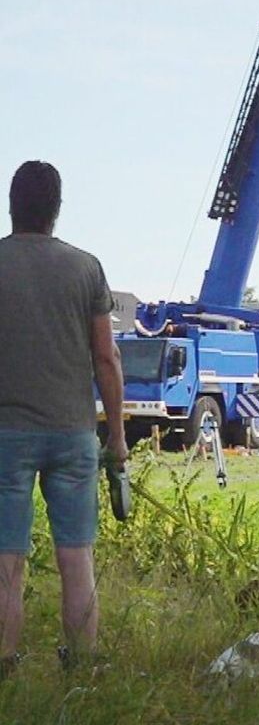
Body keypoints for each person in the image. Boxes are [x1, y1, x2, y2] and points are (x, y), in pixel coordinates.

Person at [0, 161, 127, 679]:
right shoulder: (86, 268)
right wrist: (117, 437)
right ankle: (82, 666)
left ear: (11, 205)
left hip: (5, 436)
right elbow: (106, 359)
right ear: (56, 209)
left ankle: (4, 665)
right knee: (77, 557)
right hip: (73, 434)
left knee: (6, 561)